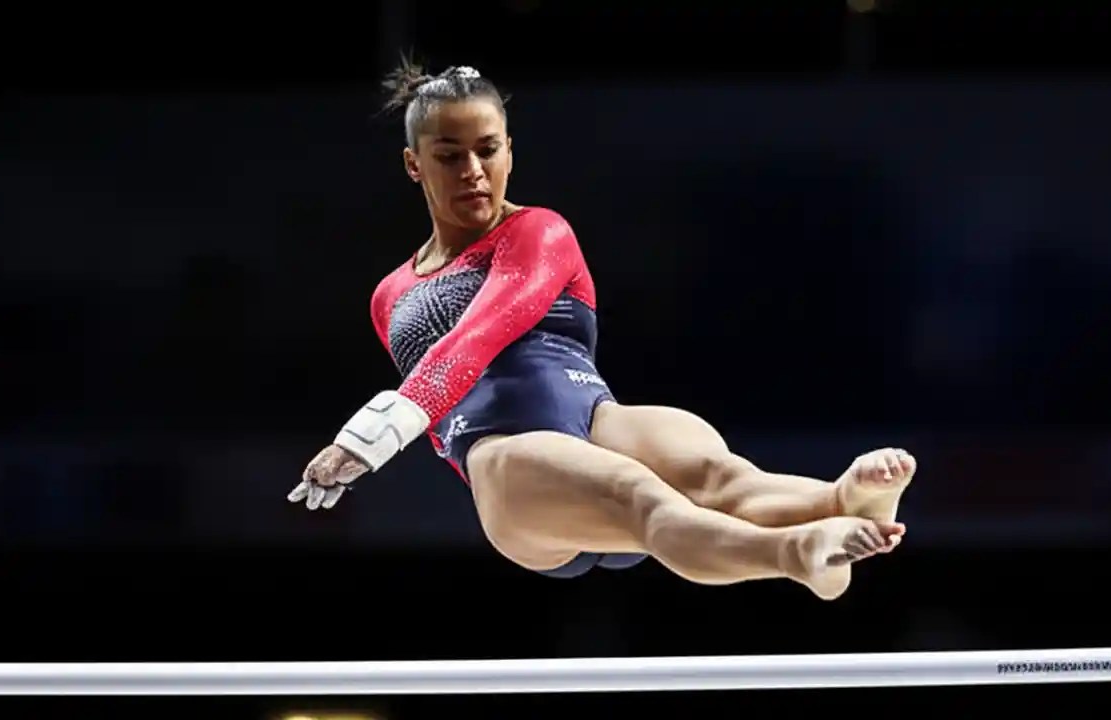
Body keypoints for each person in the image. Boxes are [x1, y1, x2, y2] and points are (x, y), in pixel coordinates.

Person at [287, 61, 916, 601]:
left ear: (510, 151)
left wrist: (366, 441)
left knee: (720, 477)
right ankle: (798, 553)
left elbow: (479, 331)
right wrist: (380, 437)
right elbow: (446, 394)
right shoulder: (391, 298)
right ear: (414, 164)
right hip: (509, 461)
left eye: (488, 149)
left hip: (596, 421)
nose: (473, 170)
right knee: (643, 496)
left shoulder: (539, 232)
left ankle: (843, 503)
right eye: (450, 156)